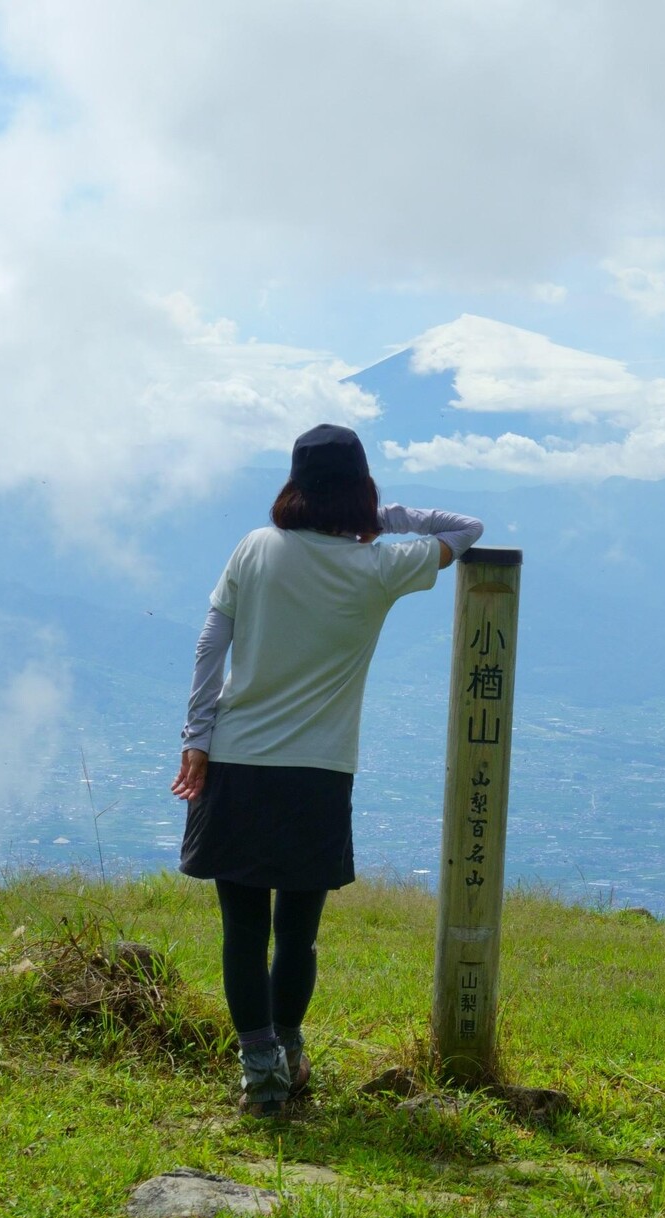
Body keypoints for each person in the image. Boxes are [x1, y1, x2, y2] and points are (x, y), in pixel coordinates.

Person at [171, 424, 483, 1116]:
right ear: (362, 492)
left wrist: (197, 735)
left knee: (243, 931)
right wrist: (383, 520)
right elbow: (466, 528)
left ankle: (261, 1076)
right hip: (318, 773)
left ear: (293, 486)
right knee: (298, 932)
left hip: (237, 761)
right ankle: (288, 1049)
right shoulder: (378, 568)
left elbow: (209, 643)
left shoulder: (255, 547)